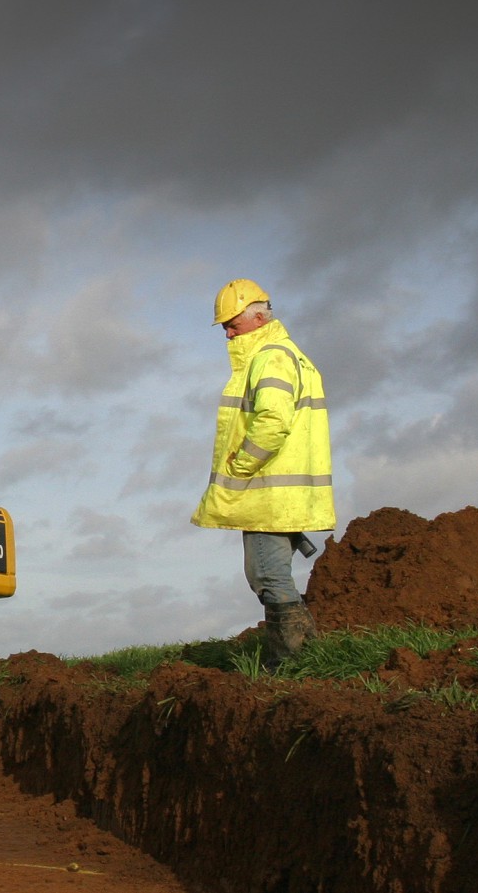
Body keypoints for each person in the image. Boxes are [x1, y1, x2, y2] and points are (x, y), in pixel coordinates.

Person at [192, 279, 335, 665]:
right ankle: (306, 656)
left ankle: (291, 662)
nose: (227, 332)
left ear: (258, 317)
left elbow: (273, 420)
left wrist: (241, 466)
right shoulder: (286, 354)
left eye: (232, 323)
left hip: (267, 494)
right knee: (272, 575)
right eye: (223, 325)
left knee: (267, 575)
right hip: (280, 495)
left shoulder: (269, 357)